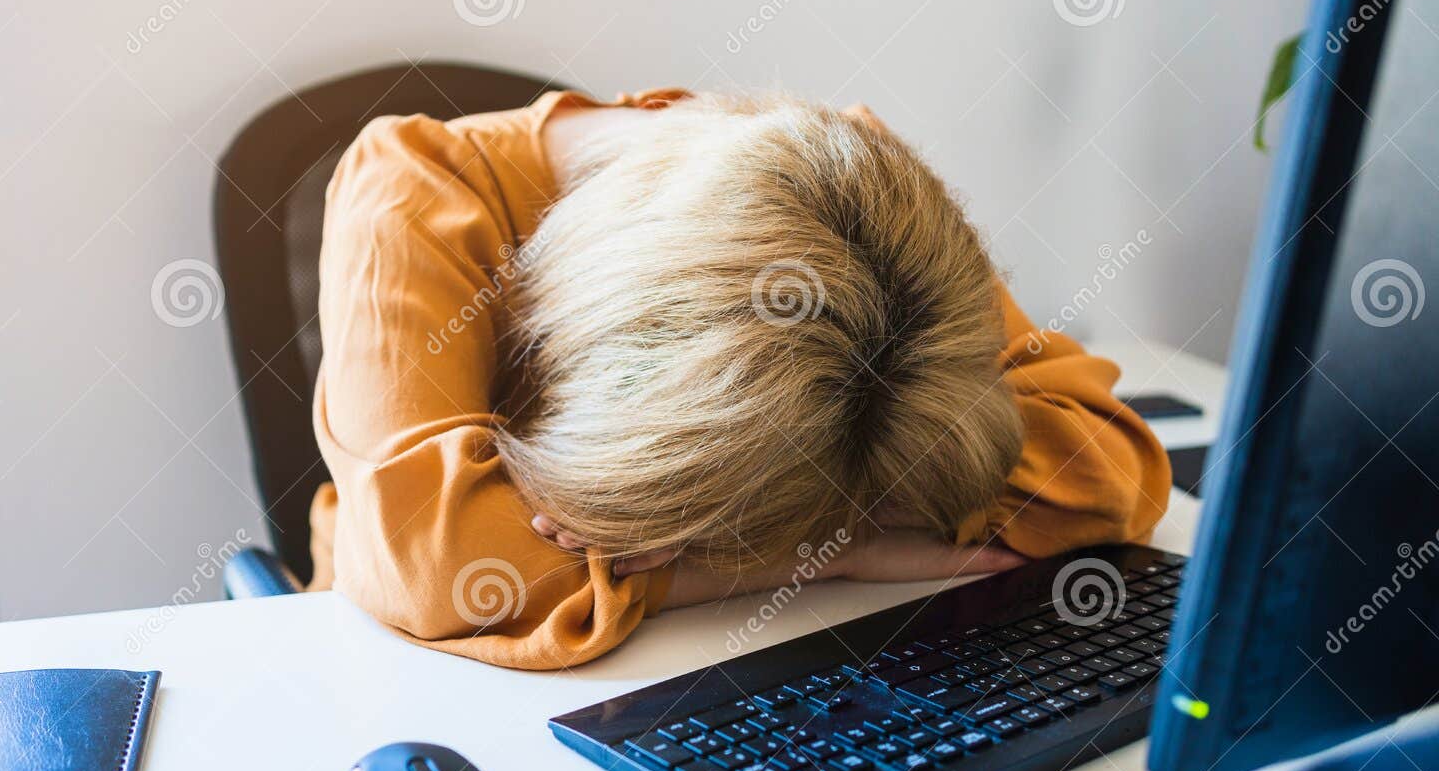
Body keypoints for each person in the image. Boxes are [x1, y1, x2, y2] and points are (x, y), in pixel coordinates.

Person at [307, 88, 1170, 670]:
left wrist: (792, 525)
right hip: (406, 687)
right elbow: (437, 563)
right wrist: (830, 554)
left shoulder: (869, 200)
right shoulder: (410, 188)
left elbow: (1108, 479)